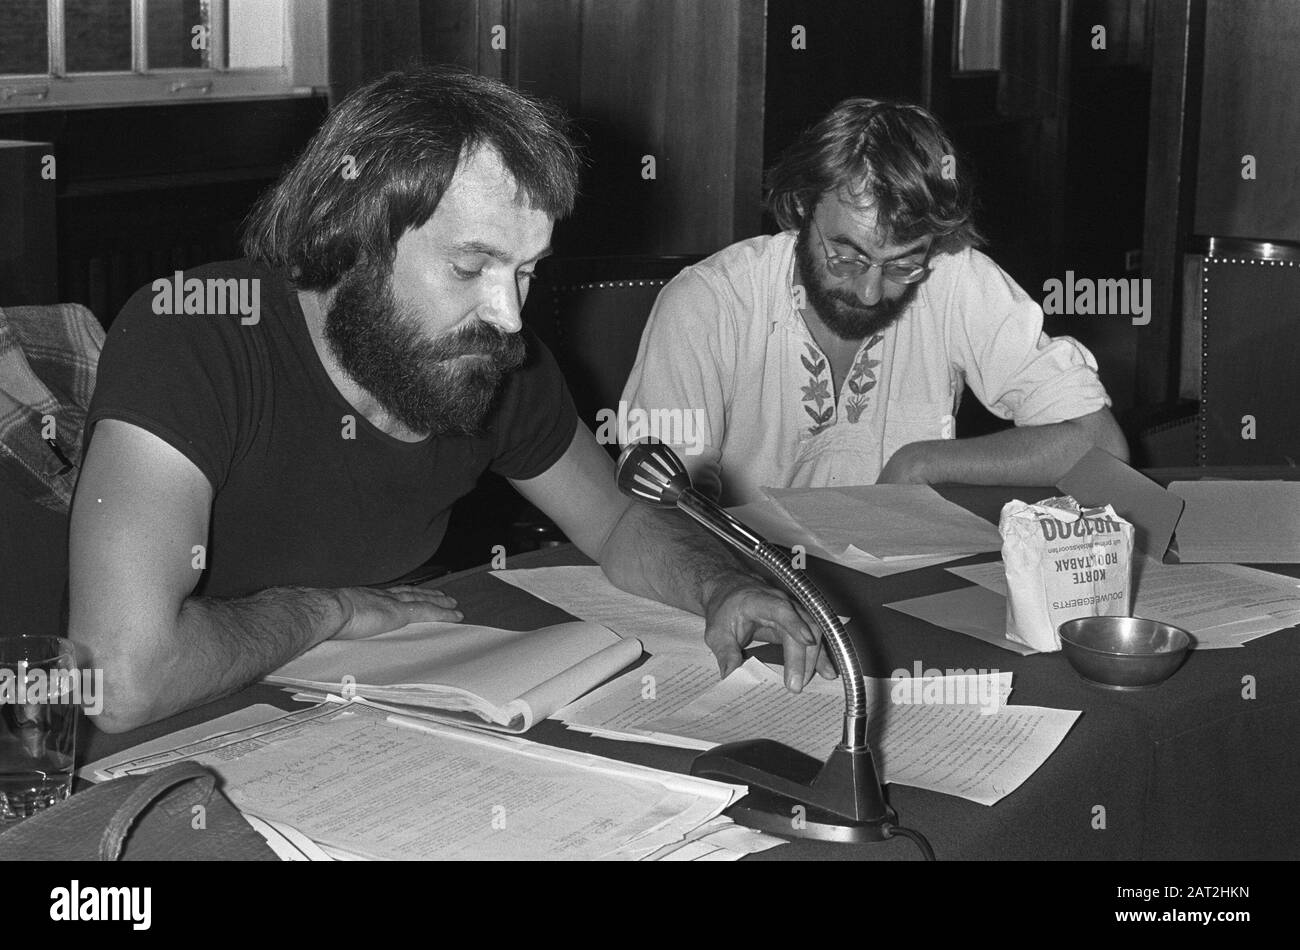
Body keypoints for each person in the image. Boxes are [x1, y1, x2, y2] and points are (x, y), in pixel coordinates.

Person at [69, 68, 833, 734]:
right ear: (355, 238)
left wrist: (721, 585)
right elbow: (120, 679)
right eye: (471, 268)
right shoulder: (197, 332)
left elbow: (622, 520)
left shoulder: (493, 357)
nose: (509, 316)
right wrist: (323, 609)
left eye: (528, 271)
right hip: (129, 748)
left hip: (346, 727)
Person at [621, 98, 1128, 507]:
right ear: (800, 207)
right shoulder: (705, 306)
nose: (870, 292)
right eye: (846, 256)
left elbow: (1099, 443)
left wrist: (924, 462)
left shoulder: (951, 275)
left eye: (903, 264)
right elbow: (658, 510)